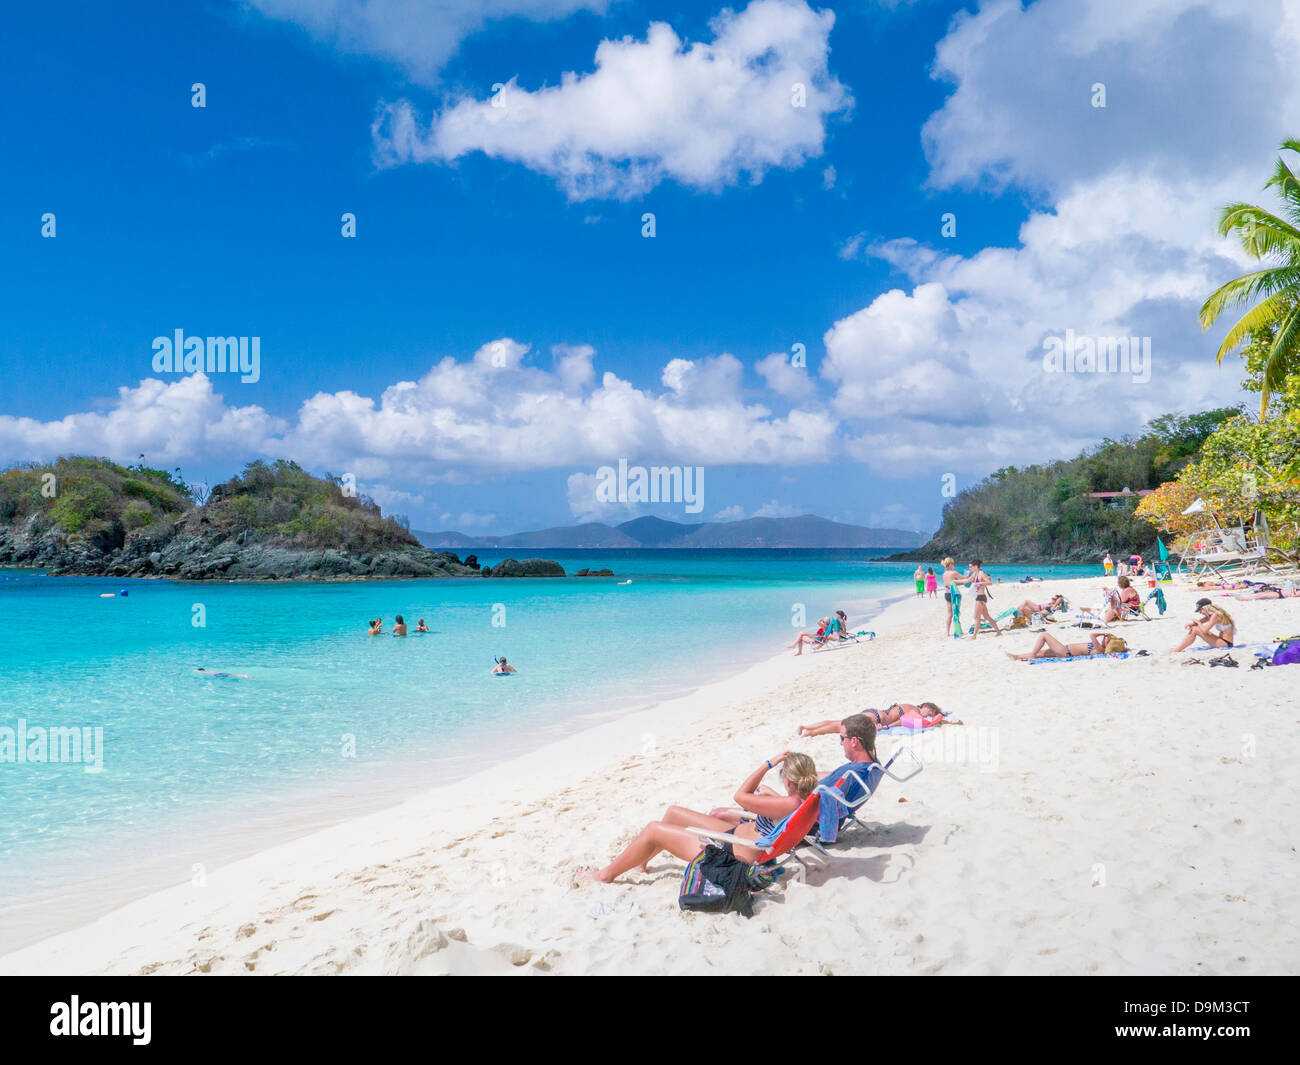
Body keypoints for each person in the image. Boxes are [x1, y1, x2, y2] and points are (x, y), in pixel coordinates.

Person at [582, 752, 820, 883]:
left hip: (733, 853)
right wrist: (771, 794)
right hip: (740, 839)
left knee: (654, 829)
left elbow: (740, 795)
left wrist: (767, 764)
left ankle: (605, 875)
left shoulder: (787, 804)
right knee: (674, 812)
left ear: (788, 781)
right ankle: (640, 862)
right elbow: (782, 811)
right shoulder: (806, 800)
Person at [801, 702, 947, 735]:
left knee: (839, 722)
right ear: (924, 705)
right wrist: (887, 727)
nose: (928, 715)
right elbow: (902, 721)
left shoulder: (908, 706)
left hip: (874, 713)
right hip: (876, 718)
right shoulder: (914, 709)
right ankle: (810, 732)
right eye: (930, 711)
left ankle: (808, 727)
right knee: (840, 726)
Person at [1007, 632, 1127, 661]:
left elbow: (1091, 635)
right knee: (1040, 654)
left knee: (1044, 635)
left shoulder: (1100, 649)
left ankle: (1031, 656)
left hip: (1065, 652)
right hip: (1065, 651)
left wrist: (1102, 633)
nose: (1104, 639)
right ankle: (1017, 657)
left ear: (1108, 644)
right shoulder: (1100, 648)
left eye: (1106, 639)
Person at [967, 560, 1001, 639]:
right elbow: (967, 580)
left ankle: (974, 636)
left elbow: (989, 582)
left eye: (971, 566)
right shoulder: (975, 573)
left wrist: (980, 583)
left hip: (981, 598)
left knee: (976, 617)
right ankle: (999, 632)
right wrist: (954, 582)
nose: (970, 568)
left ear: (976, 566)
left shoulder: (981, 573)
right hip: (980, 597)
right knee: (987, 617)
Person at [941, 557, 970, 639]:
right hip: (954, 595)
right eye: (953, 564)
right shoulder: (954, 573)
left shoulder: (944, 574)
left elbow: (952, 583)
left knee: (949, 614)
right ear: (950, 565)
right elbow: (964, 579)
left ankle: (947, 632)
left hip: (947, 594)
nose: (954, 565)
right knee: (956, 613)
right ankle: (957, 631)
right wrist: (968, 574)